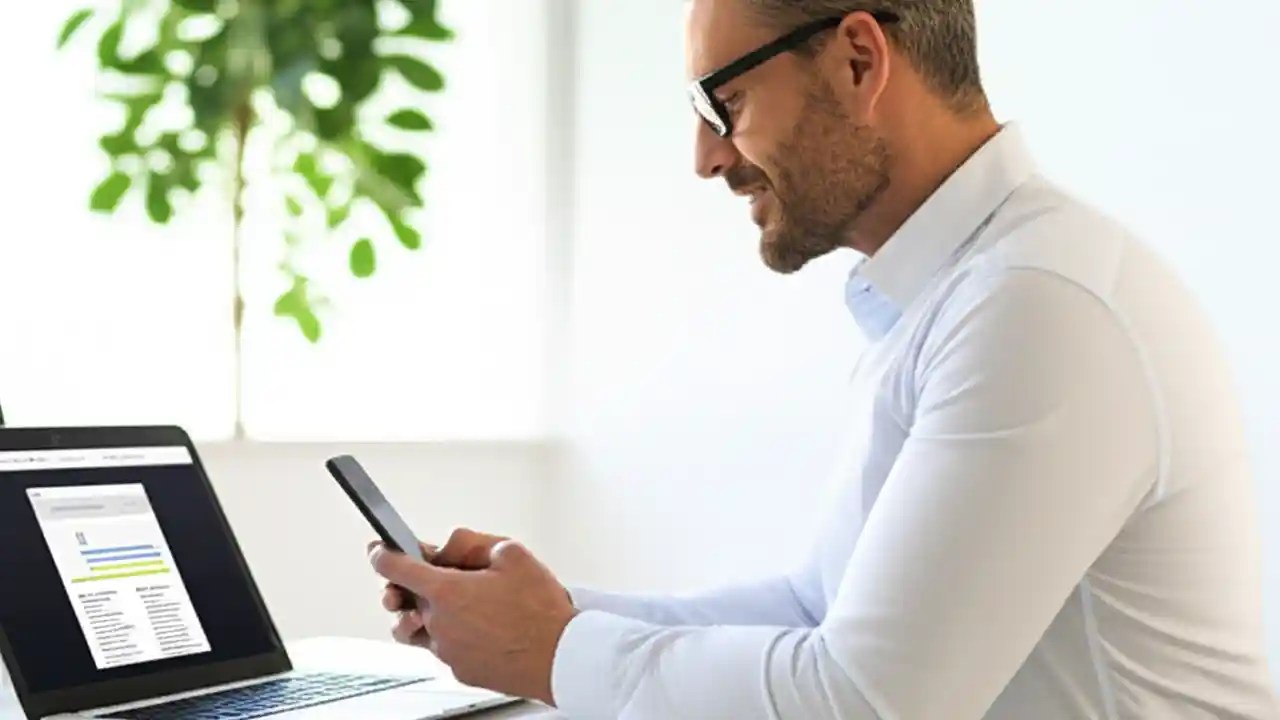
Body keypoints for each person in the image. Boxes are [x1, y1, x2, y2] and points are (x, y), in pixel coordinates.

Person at [368, 0, 1280, 717]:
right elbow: (819, 612)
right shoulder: (963, 294)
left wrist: (557, 651)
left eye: (722, 103)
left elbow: (863, 703)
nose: (704, 156)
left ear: (856, 60)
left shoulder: (1040, 306)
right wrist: (550, 616)